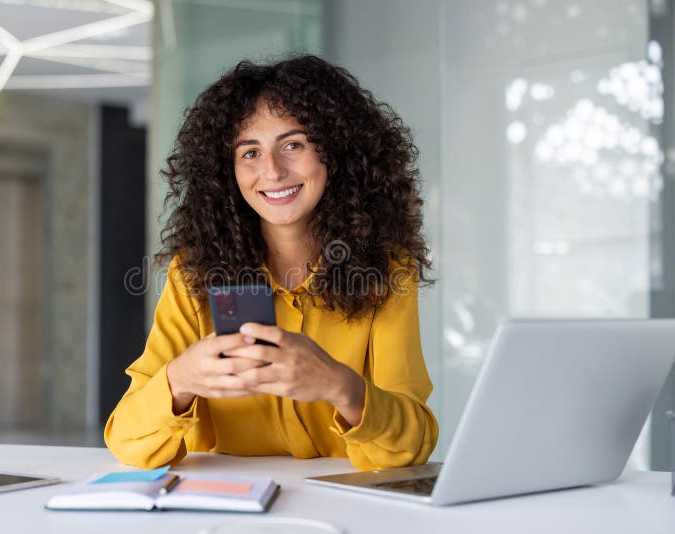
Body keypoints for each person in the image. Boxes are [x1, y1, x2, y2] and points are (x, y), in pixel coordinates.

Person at [104, 55, 438, 471]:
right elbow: (127, 443)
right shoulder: (193, 273)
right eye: (250, 153)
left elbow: (411, 447)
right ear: (226, 170)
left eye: (293, 145)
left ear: (337, 151)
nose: (273, 172)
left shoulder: (387, 272)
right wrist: (180, 380)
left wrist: (339, 386)